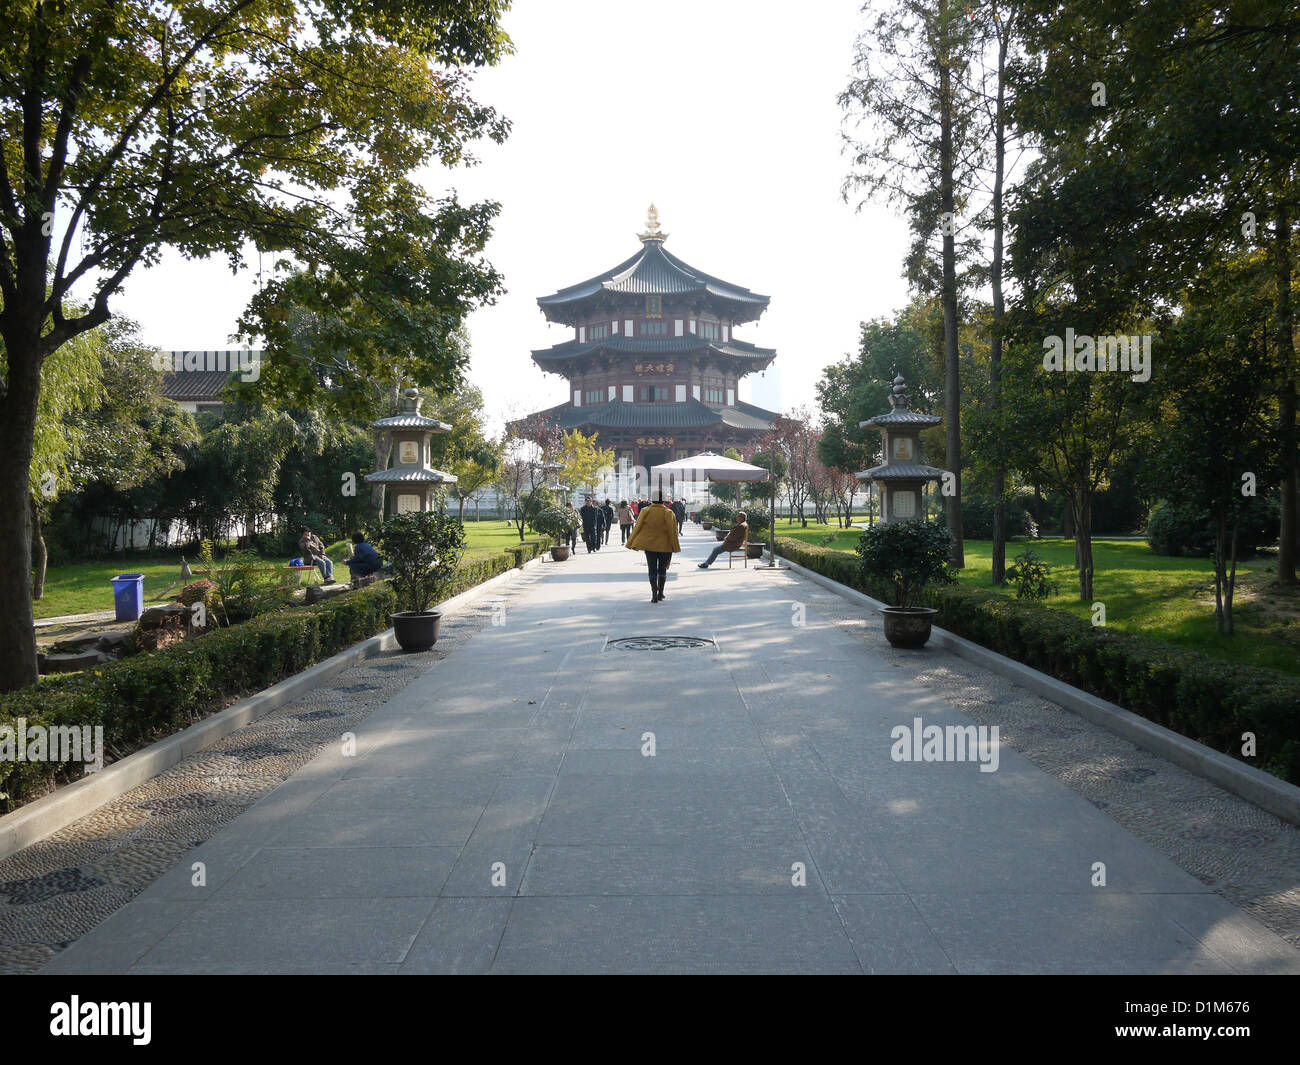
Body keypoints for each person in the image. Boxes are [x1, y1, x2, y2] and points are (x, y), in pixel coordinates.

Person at [626, 492, 681, 603]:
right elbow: (673, 532)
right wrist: (675, 547)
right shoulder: (668, 512)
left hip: (649, 546)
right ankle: (660, 593)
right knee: (662, 569)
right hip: (664, 546)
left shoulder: (645, 511)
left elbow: (637, 527)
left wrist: (630, 542)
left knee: (652, 569)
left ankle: (654, 594)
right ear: (664, 500)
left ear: (652, 500)